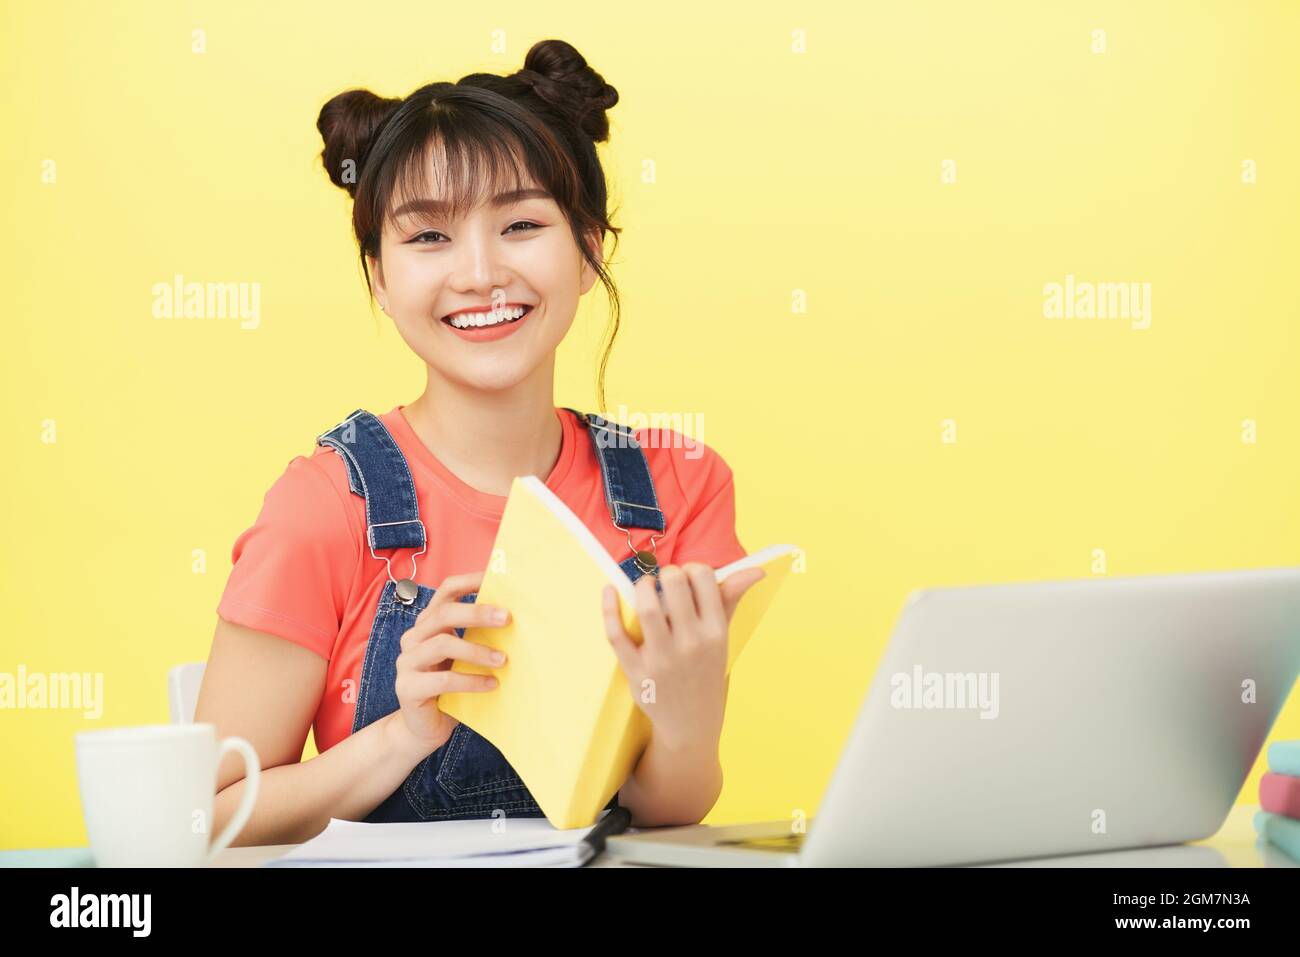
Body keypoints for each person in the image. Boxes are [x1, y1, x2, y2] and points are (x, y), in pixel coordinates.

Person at [197, 38, 765, 846]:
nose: (479, 272)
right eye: (428, 237)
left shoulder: (682, 485)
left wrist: (683, 715)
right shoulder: (325, 505)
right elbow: (208, 820)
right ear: (380, 282)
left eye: (522, 223)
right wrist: (401, 734)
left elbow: (674, 810)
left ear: (588, 252)